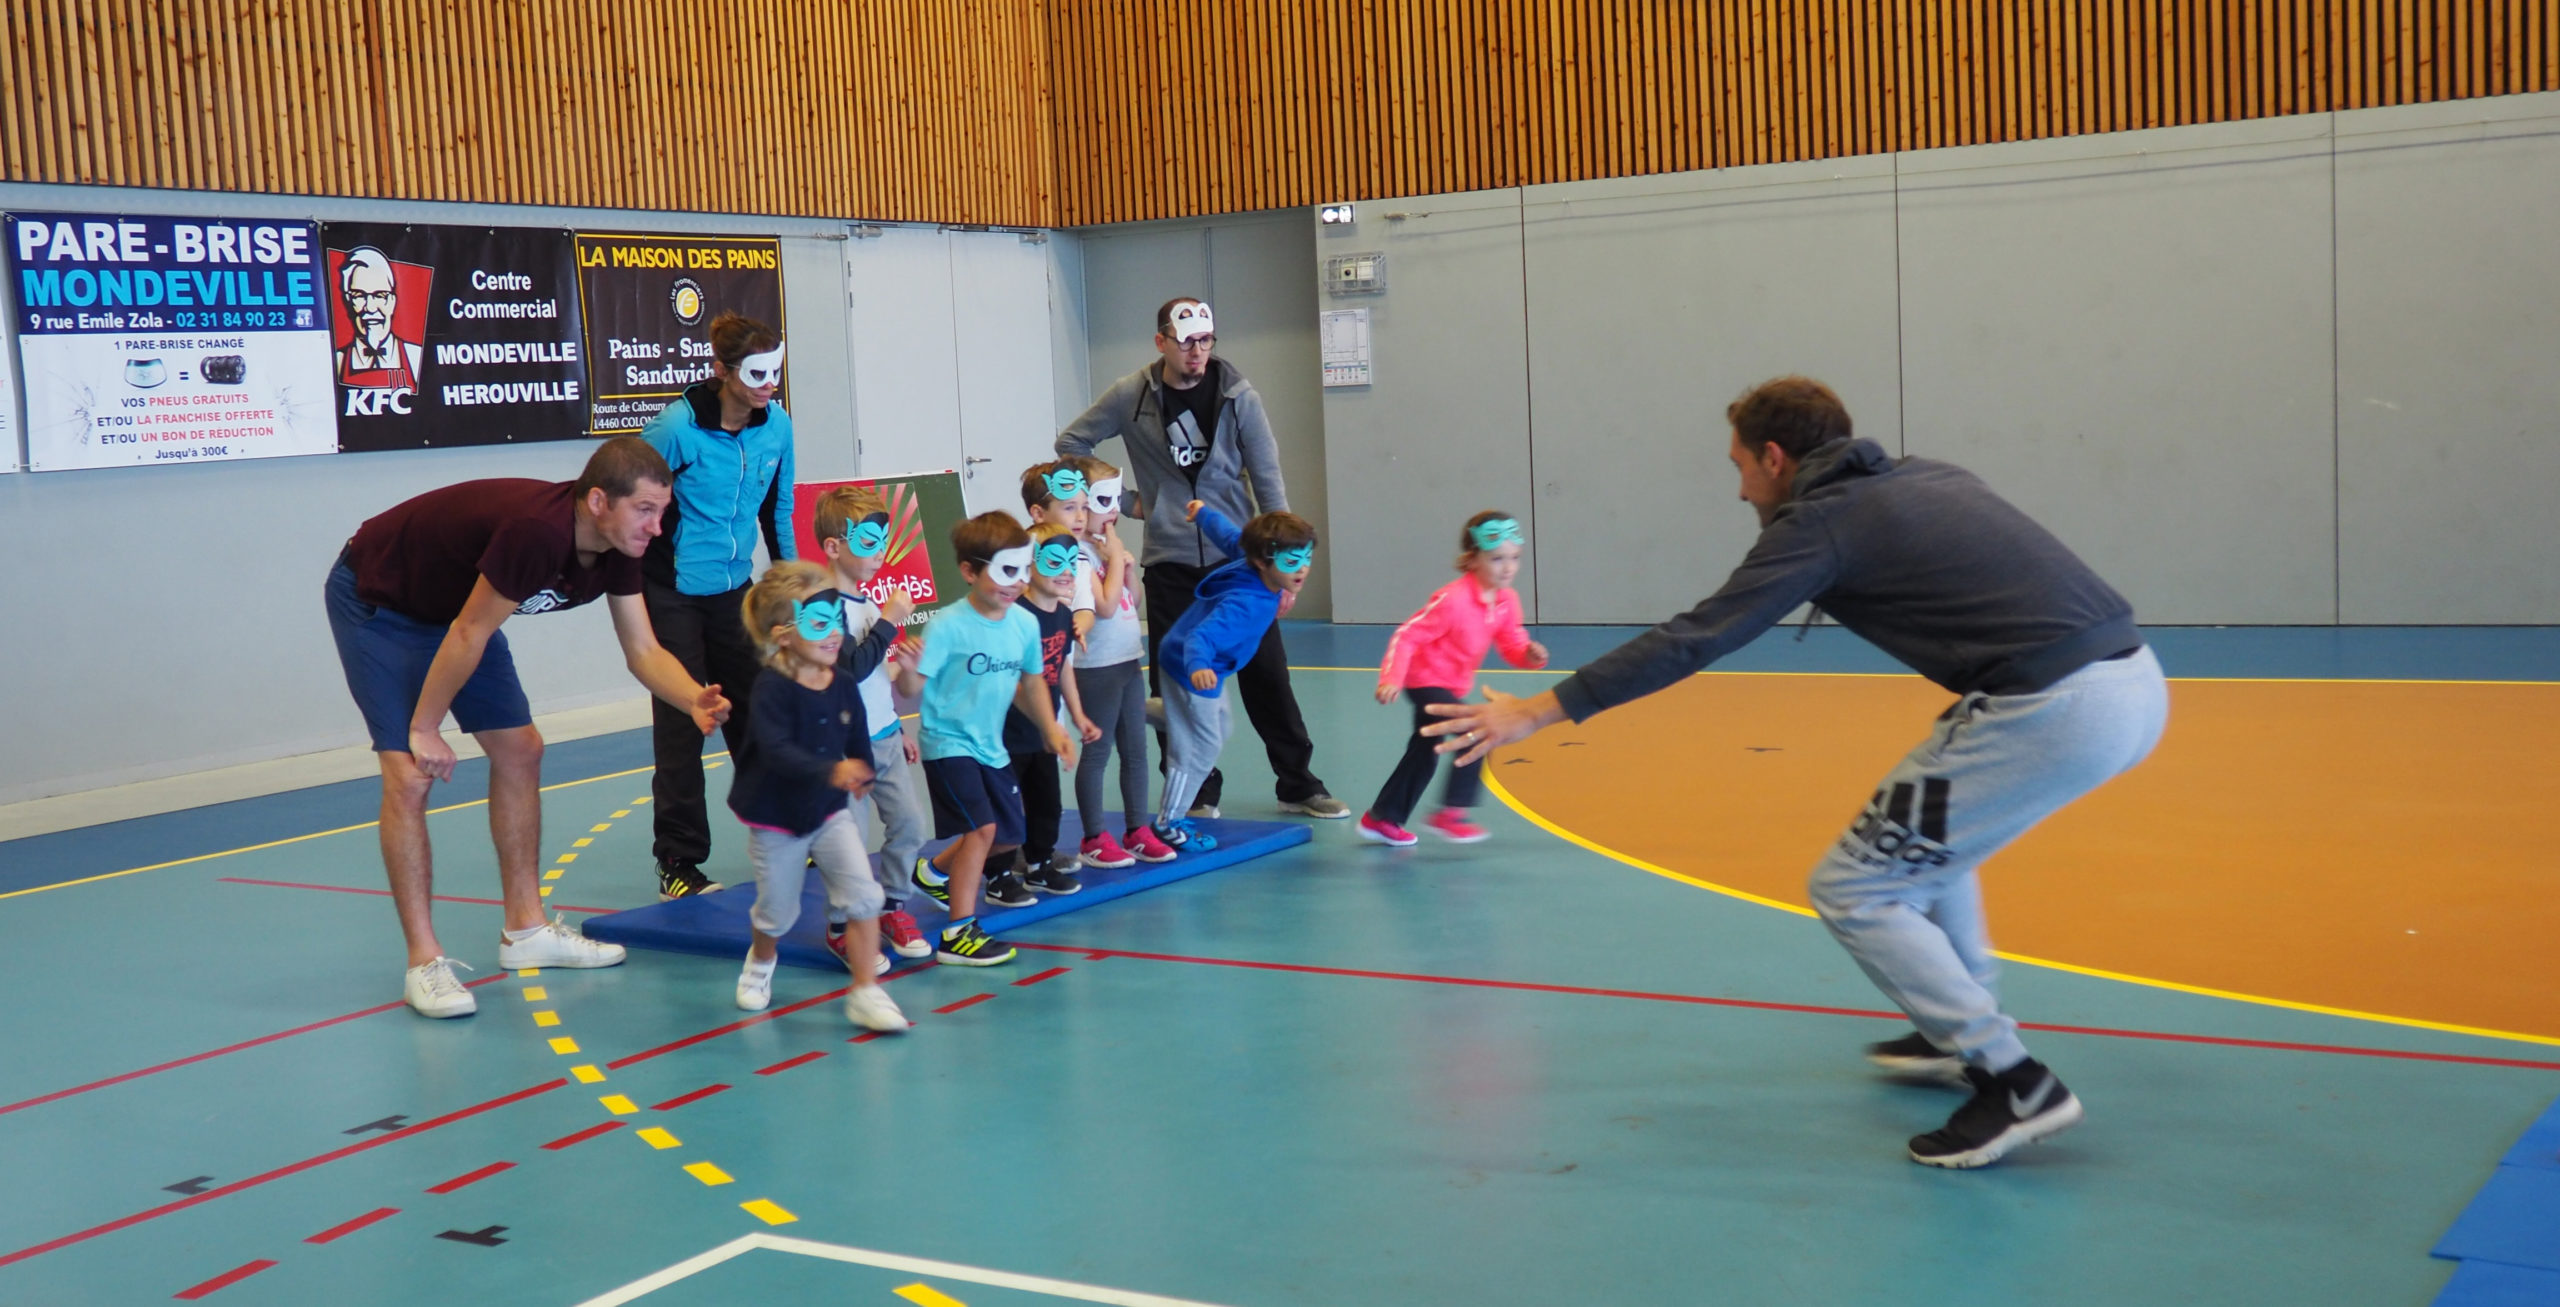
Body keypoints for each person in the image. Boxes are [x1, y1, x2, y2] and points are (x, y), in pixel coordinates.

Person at [1423, 377, 2167, 1170]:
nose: (1739, 484)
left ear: (1775, 458)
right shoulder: (1923, 475)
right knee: (1929, 841)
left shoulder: (1823, 523)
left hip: (2053, 707)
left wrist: (1537, 711)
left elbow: (1699, 635)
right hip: (2132, 683)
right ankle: (1958, 1028)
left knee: (1855, 886)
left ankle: (2012, 1079)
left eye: (1740, 464)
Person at [327, 437, 731, 1018]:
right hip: (379, 603)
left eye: (662, 512)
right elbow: (468, 633)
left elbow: (642, 649)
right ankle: (424, 962)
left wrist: (692, 697)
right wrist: (425, 727)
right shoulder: (535, 534)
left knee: (521, 748)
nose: (657, 527)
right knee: (409, 776)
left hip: (458, 613)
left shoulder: (620, 545)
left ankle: (526, 931)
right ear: (598, 501)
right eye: (645, 510)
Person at [1055, 297, 1347, 820]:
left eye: (1206, 341)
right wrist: (1124, 503)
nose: (1197, 351)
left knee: (1268, 677)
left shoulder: (1239, 395)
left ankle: (1298, 784)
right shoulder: (1131, 394)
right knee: (1173, 681)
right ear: (1161, 341)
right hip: (1169, 560)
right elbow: (1071, 443)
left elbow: (1267, 477)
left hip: (1241, 563)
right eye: (1186, 341)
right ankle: (1197, 790)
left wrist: (1282, 565)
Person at [636, 313, 796, 901]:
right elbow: (631, 499)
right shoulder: (676, 428)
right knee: (682, 723)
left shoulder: (777, 427)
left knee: (760, 713)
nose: (768, 384)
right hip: (670, 593)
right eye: (756, 374)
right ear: (722, 372)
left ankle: (781, 832)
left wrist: (789, 588)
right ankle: (679, 862)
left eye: (775, 372)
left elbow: (776, 513)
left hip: (735, 592)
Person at [724, 561, 910, 1033]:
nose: (833, 633)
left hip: (829, 813)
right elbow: (776, 750)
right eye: (817, 622)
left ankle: (866, 990)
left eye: (836, 619)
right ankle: (761, 961)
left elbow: (854, 732)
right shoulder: (772, 688)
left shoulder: (841, 679)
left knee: (865, 896)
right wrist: (834, 769)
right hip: (777, 819)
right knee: (777, 912)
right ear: (783, 635)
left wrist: (861, 766)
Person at [894, 512, 1077, 967]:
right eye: (1004, 571)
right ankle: (960, 931)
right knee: (982, 830)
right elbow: (910, 690)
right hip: (947, 742)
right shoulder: (948, 626)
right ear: (970, 572)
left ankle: (934, 872)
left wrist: (1051, 728)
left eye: (1023, 570)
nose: (1016, 582)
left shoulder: (1024, 624)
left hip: (991, 747)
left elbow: (1032, 681)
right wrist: (911, 669)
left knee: (1009, 834)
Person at [1360, 511, 1550, 848]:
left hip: (1451, 684)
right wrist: (1392, 677)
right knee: (1475, 732)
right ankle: (1450, 814)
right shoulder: (1453, 600)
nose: (1508, 567)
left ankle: (1382, 817)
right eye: (1496, 559)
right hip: (1425, 681)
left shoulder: (1506, 601)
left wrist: (1527, 656)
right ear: (1472, 559)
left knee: (1424, 751)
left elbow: (1511, 643)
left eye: (1514, 558)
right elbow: (1407, 636)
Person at [810, 484, 933, 961]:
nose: (880, 553)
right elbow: (850, 669)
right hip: (844, 749)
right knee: (850, 842)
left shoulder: (867, 602)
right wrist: (890, 624)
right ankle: (842, 926)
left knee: (909, 825)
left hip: (883, 738)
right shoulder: (824, 608)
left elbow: (875, 682)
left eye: (882, 542)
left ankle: (893, 906)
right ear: (834, 547)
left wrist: (899, 724)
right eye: (867, 542)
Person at [1152, 502, 1319, 852]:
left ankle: (1149, 710)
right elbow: (1202, 636)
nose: (1302, 569)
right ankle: (1169, 821)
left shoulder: (1250, 560)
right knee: (1200, 747)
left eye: (1305, 559)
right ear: (1263, 562)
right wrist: (1198, 666)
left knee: (1220, 728)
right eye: (1291, 563)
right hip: (1192, 665)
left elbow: (1233, 537)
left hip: (1193, 661)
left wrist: (1203, 513)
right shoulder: (1246, 601)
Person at [1063, 455, 1174, 869]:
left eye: (1115, 502)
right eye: (1102, 502)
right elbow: (1104, 608)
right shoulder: (1075, 555)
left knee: (1136, 750)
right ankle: (1093, 837)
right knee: (1099, 752)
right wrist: (1114, 560)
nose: (1112, 512)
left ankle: (1136, 829)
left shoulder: (1106, 548)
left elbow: (1130, 601)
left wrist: (1125, 568)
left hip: (1129, 660)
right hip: (1097, 669)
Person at [1001, 522, 1102, 896]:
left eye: (1071, 562)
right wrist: (1047, 725)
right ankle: (999, 874)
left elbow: (1062, 668)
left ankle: (1039, 864)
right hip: (1011, 733)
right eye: (1053, 561)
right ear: (1030, 564)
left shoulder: (1063, 614)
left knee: (1048, 804)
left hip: (1045, 733)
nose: (1065, 571)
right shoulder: (1015, 616)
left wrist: (1077, 717)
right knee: (1009, 807)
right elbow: (1013, 682)